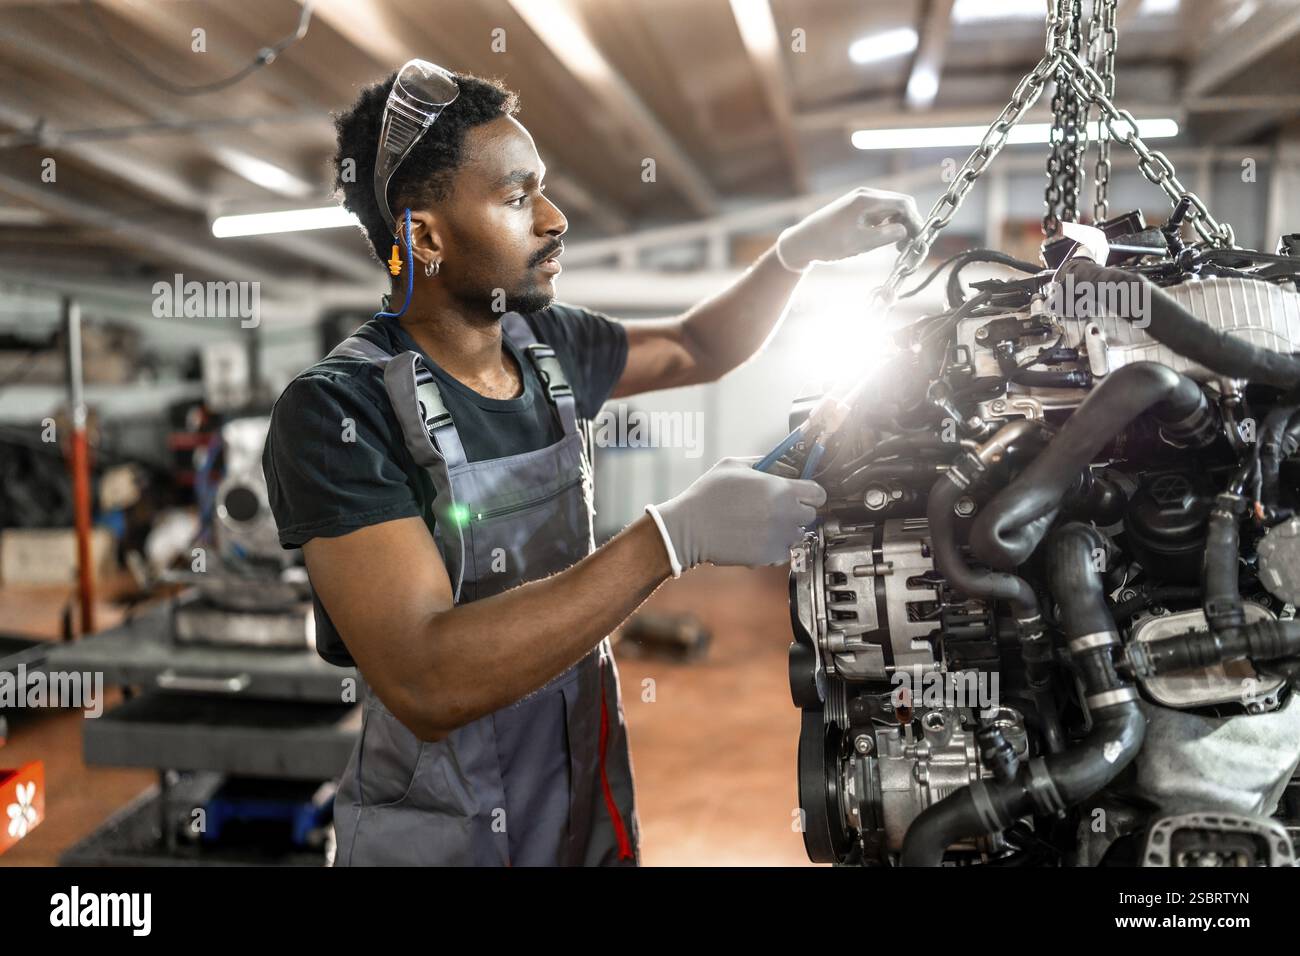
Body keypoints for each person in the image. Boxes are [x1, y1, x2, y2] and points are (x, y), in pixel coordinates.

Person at [262, 64, 921, 866]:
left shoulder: (545, 346)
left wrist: (793, 255)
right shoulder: (338, 411)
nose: (554, 218)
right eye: (517, 197)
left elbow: (695, 345)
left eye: (542, 189)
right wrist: (669, 540)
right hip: (440, 840)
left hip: (583, 807)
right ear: (425, 238)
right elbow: (427, 679)